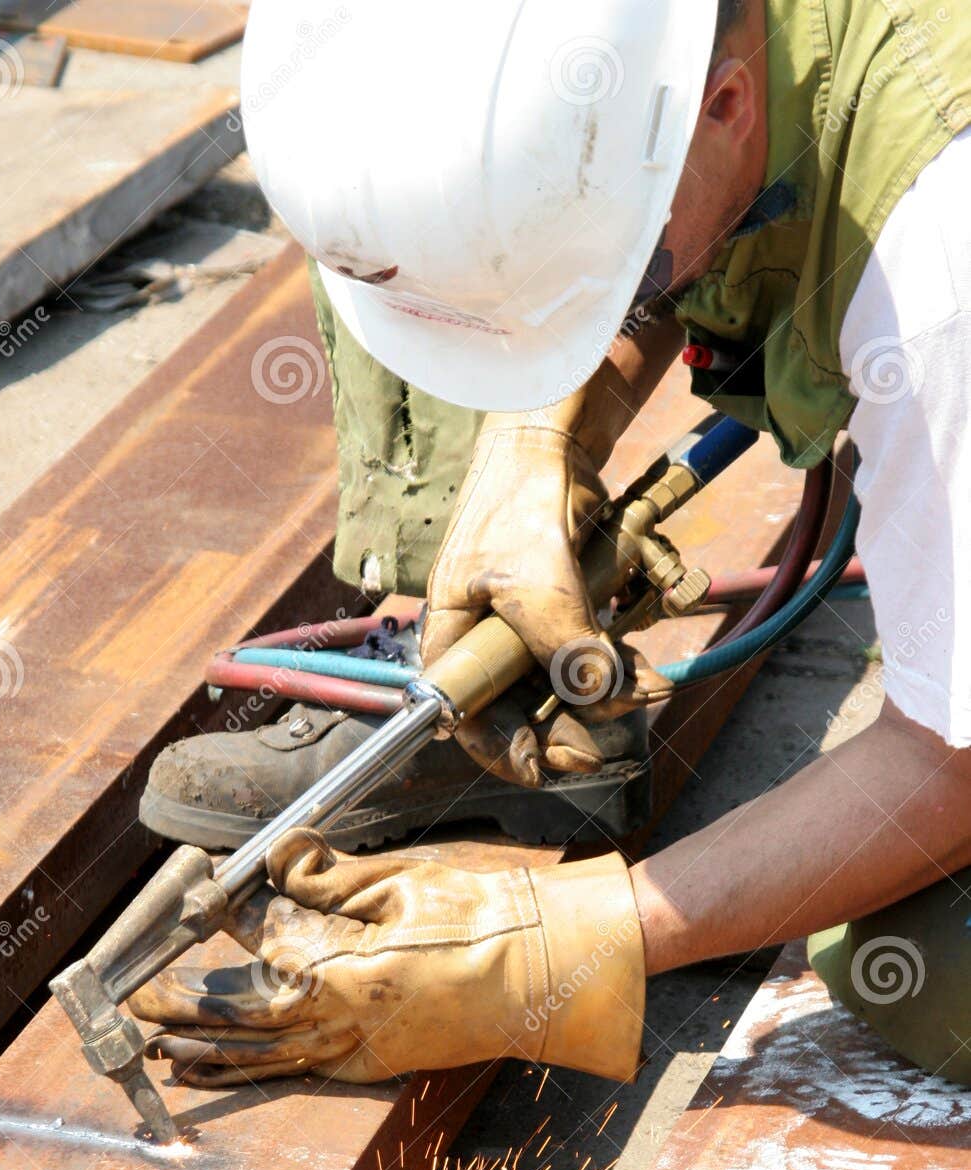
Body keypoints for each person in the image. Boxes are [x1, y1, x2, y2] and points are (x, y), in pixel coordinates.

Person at [132, 0, 971, 1088]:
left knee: (918, 960)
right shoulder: (669, 61)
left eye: (578, 295)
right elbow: (645, 173)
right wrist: (535, 445)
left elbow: (946, 764)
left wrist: (553, 945)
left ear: (724, 104)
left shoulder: (937, 282)